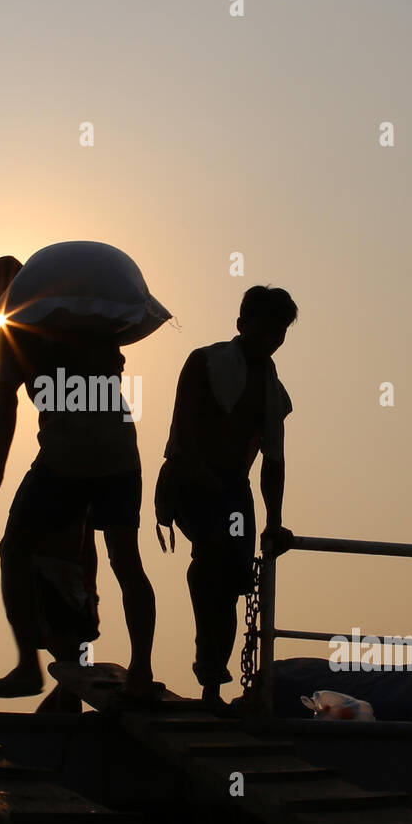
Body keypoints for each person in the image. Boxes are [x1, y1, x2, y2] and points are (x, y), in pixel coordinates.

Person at [0, 254, 158, 704]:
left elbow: (5, 402)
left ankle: (27, 668)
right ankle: (139, 672)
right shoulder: (87, 320)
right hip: (118, 453)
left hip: (65, 460)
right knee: (123, 562)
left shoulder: (13, 331)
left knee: (15, 549)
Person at [156, 285, 297, 709]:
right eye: (266, 326)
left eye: (280, 330)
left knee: (235, 580)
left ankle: (213, 684)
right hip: (188, 479)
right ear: (243, 324)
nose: (273, 337)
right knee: (212, 560)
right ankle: (209, 669)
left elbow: (273, 460)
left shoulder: (273, 391)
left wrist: (274, 521)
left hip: (232, 489)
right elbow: (184, 431)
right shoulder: (204, 361)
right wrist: (207, 484)